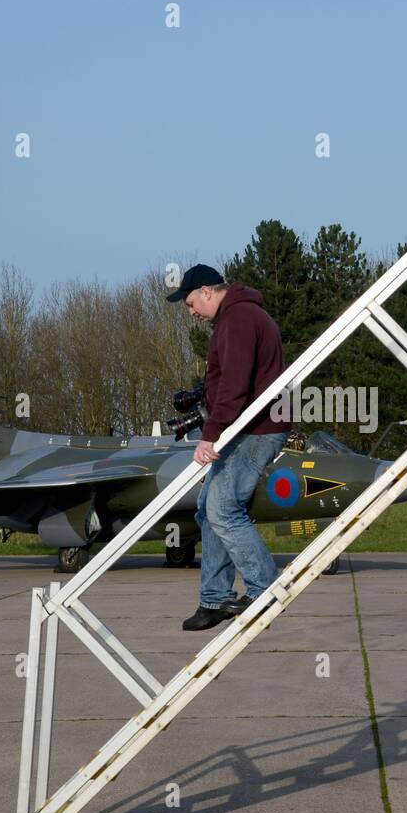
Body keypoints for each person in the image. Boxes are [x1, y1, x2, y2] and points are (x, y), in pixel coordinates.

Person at [166, 264, 291, 631]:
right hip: (248, 427)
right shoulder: (232, 319)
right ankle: (215, 598)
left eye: (190, 303)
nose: (190, 312)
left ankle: (264, 587)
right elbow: (224, 384)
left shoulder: (238, 318)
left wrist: (210, 434)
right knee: (207, 509)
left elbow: (234, 385)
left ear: (207, 291)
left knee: (222, 509)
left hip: (259, 428)